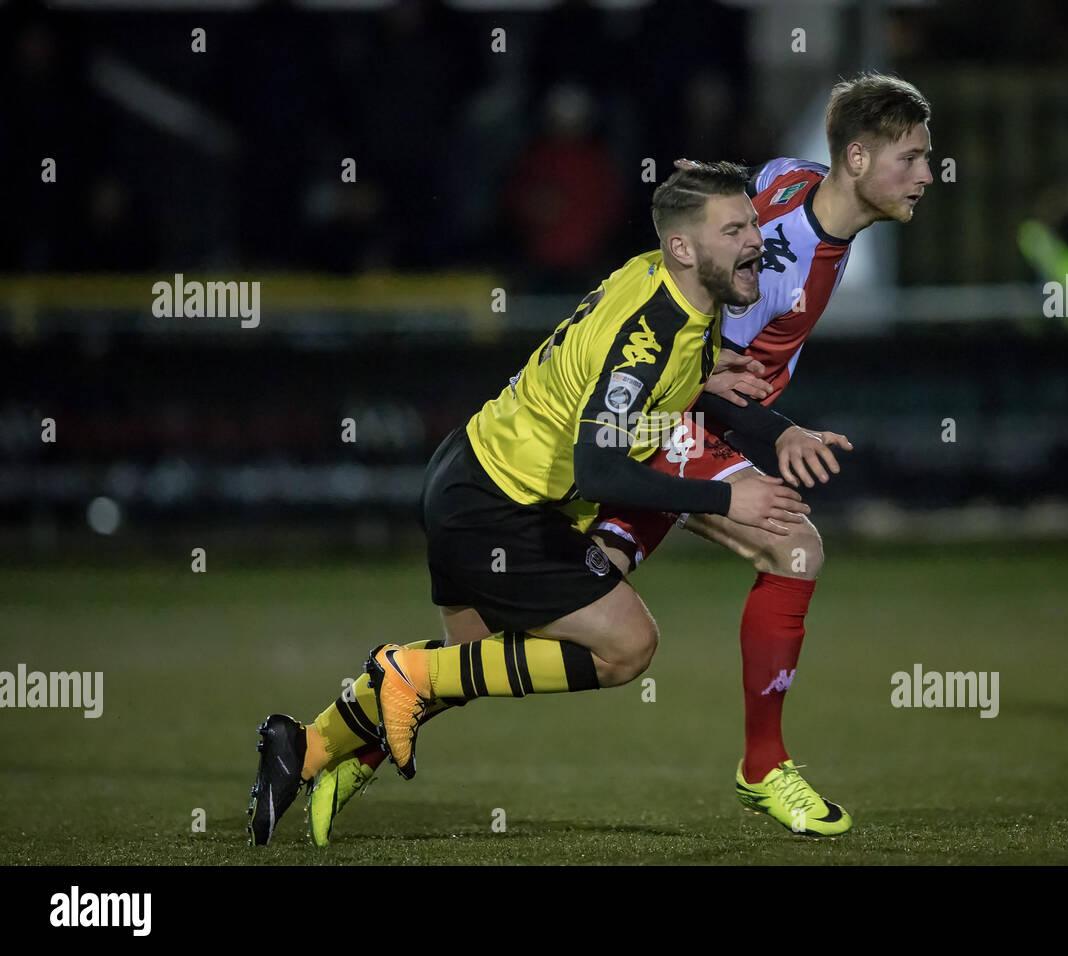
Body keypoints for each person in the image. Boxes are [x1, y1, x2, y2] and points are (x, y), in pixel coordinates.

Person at [303, 72, 933, 843]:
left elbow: (746, 205)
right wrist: (771, 444)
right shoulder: (772, 262)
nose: (929, 176)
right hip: (671, 430)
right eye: (913, 158)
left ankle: (344, 734)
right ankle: (764, 767)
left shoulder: (790, 183)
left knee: (496, 650)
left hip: (603, 440)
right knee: (794, 547)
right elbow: (694, 391)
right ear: (859, 161)